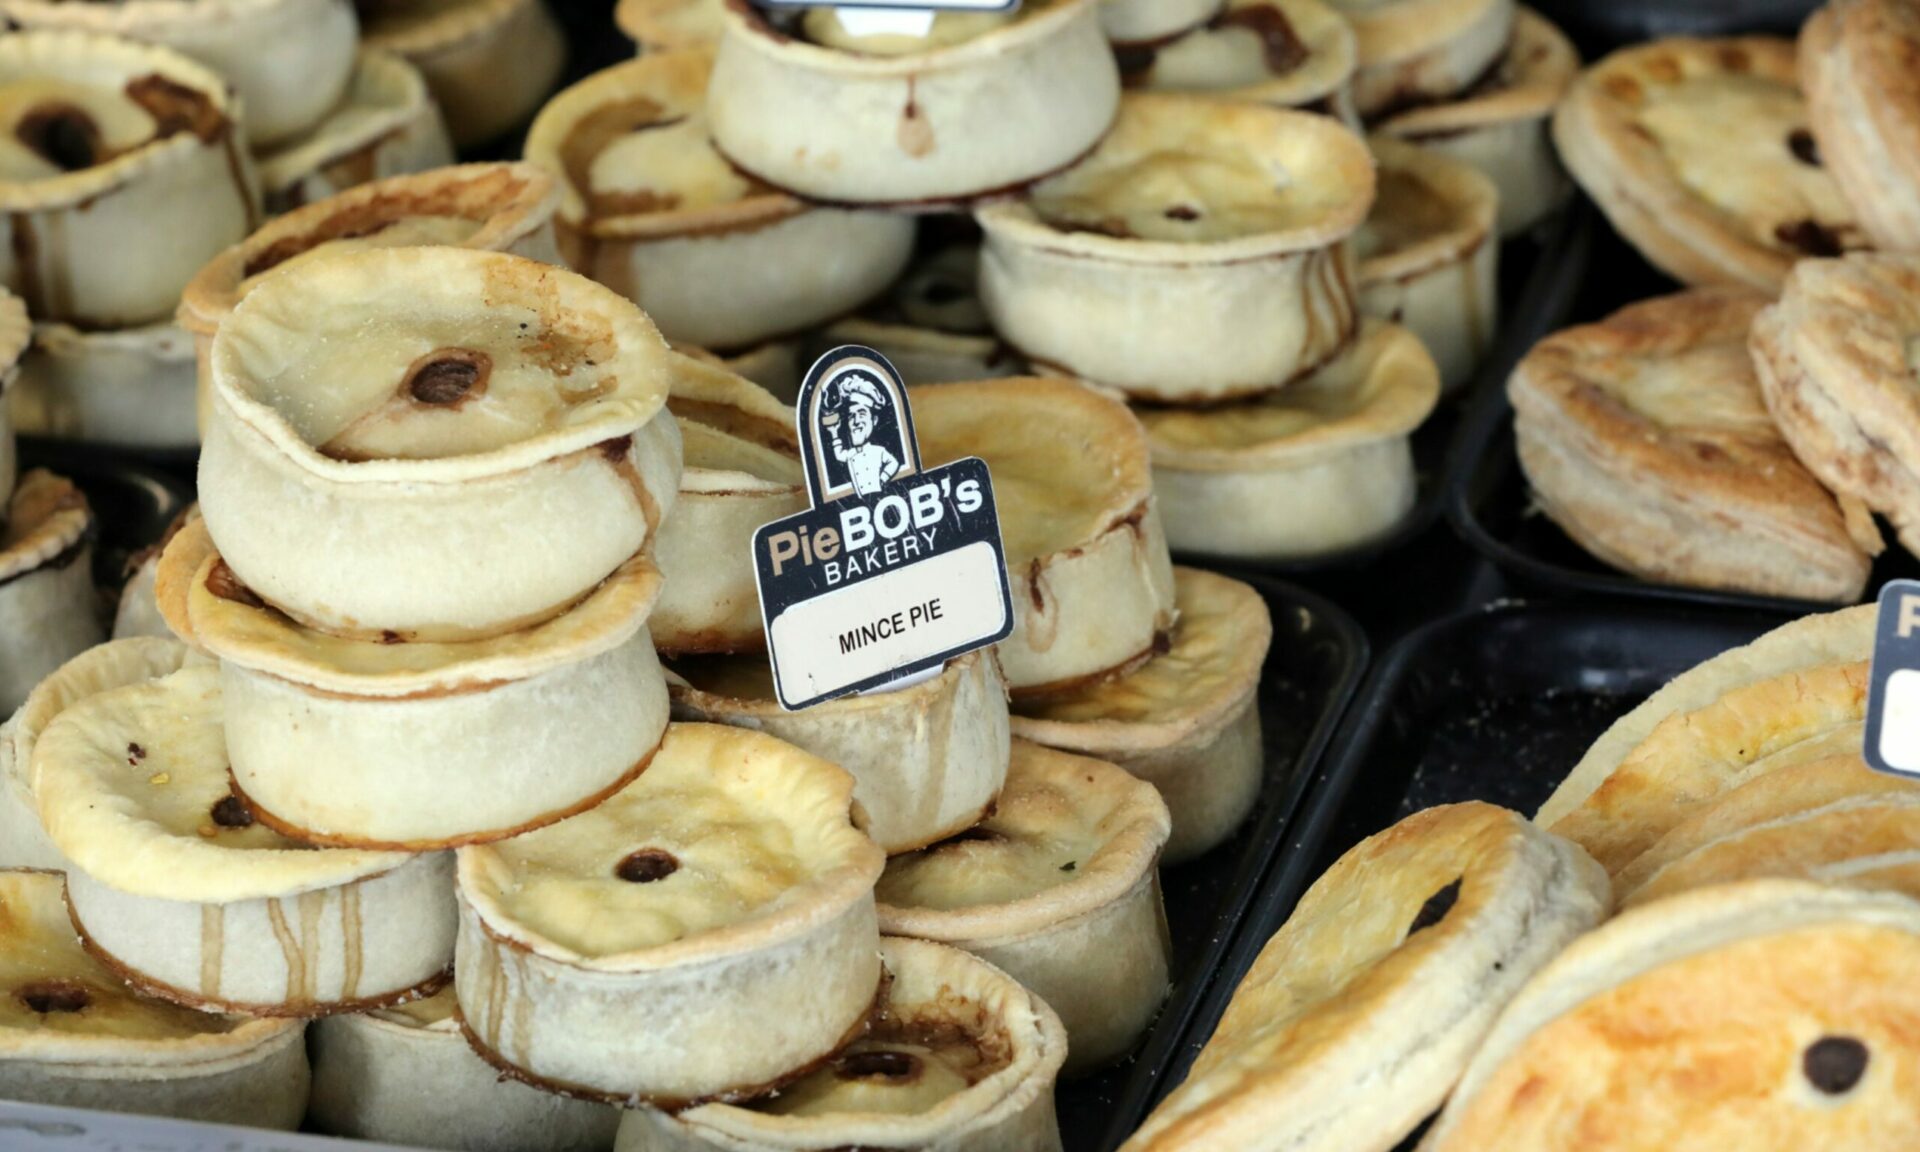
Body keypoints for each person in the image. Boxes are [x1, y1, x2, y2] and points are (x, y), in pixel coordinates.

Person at [827, 372, 901, 496]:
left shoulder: (878, 451)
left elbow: (894, 463)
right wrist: (834, 432)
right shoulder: (851, 454)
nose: (856, 421)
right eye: (851, 416)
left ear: (874, 420)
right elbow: (839, 455)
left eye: (862, 414)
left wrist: (882, 479)